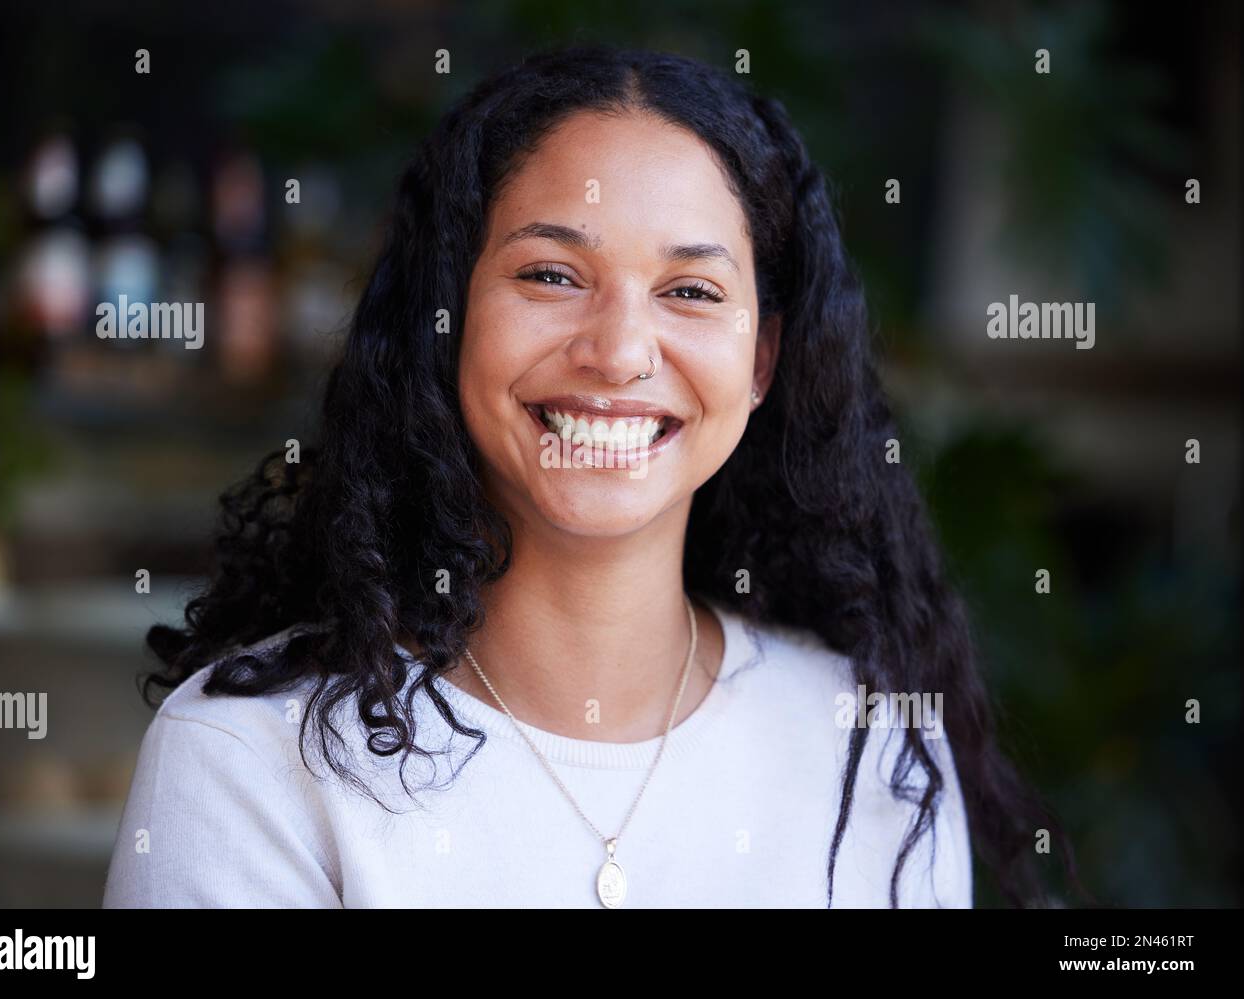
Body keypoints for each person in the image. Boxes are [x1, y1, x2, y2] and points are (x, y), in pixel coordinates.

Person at [104, 44, 1072, 908]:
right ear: (448, 317)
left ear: (763, 360)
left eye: (690, 292)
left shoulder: (873, 751)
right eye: (551, 276)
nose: (617, 353)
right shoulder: (251, 762)